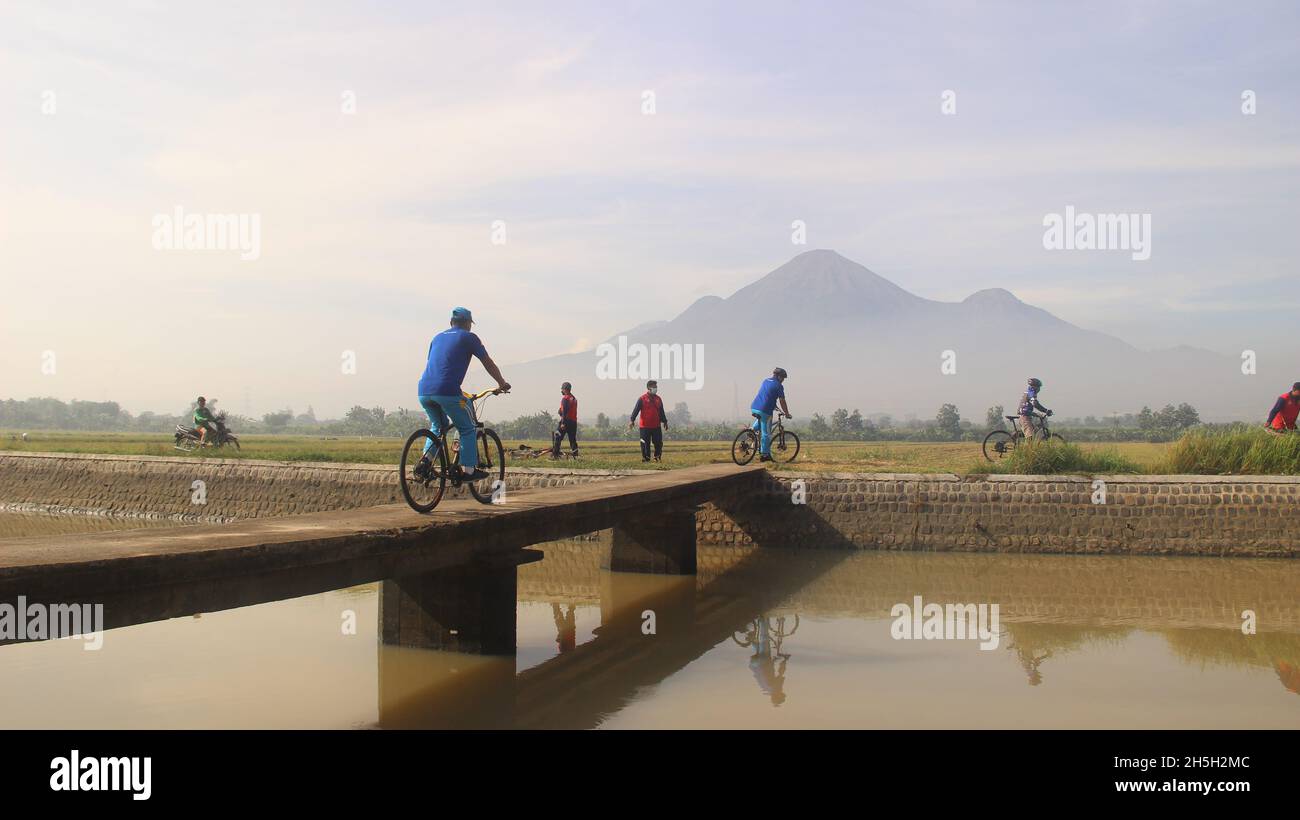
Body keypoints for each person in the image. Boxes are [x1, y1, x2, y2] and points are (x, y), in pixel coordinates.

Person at [416, 307, 510, 481]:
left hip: (423, 390)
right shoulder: (469, 337)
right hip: (447, 390)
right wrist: (501, 383)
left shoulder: (436, 337)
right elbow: (488, 363)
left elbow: (436, 364)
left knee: (438, 425)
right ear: (468, 323)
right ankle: (468, 470)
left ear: (451, 322)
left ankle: (425, 463)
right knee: (467, 428)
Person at [750, 368, 791, 463]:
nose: (783, 380)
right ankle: (765, 455)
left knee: (762, 421)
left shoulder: (766, 381)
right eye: (783, 378)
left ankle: (752, 430)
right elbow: (782, 401)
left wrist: (774, 406)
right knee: (766, 433)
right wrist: (787, 413)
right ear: (778, 376)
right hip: (765, 410)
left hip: (755, 407)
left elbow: (767, 395)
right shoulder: (779, 386)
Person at [628, 379, 669, 462]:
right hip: (645, 426)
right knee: (645, 443)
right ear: (649, 388)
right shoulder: (642, 399)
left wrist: (665, 422)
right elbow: (636, 410)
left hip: (656, 426)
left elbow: (661, 411)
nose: (656, 388)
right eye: (654, 387)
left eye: (656, 387)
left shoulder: (658, 399)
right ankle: (646, 458)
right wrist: (632, 420)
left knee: (658, 443)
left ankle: (657, 457)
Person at [552, 382, 578, 458]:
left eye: (562, 389)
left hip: (566, 421)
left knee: (557, 436)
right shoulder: (574, 398)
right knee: (572, 440)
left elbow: (565, 412)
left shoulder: (565, 398)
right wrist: (561, 411)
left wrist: (563, 423)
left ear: (565, 389)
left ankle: (555, 455)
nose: (561, 391)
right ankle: (575, 456)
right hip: (573, 422)